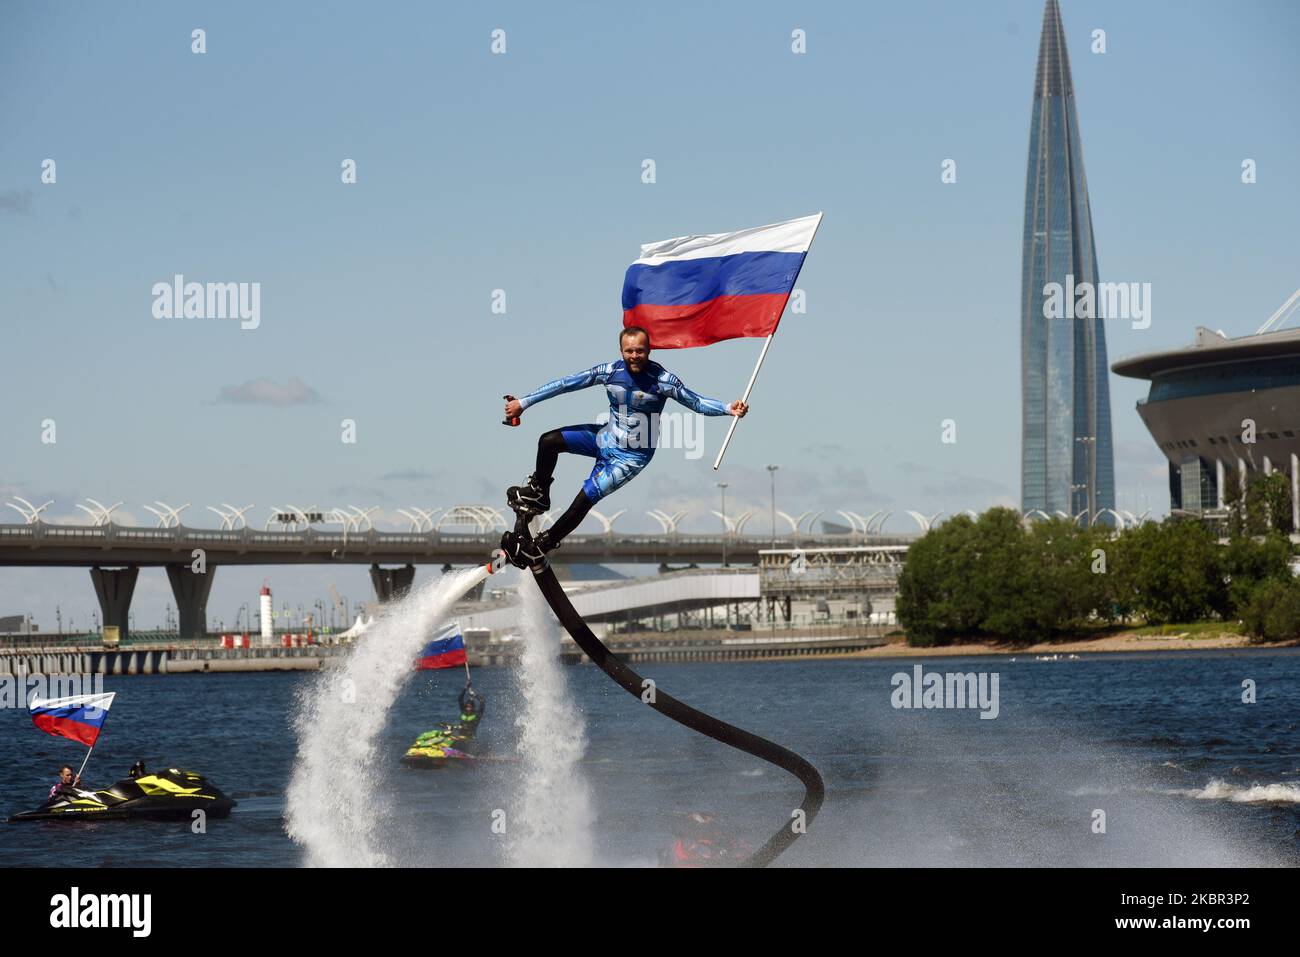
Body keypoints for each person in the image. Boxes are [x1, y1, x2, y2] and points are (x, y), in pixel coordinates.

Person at [500, 326, 747, 568]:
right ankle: (540, 493)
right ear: (621, 351)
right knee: (549, 441)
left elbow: (696, 402)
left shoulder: (663, 380)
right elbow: (566, 384)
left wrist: (728, 408)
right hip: (605, 438)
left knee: (585, 498)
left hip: (631, 457)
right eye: (629, 351)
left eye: (640, 351)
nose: (634, 356)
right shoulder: (609, 372)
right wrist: (524, 402)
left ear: (649, 351)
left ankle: (543, 545)